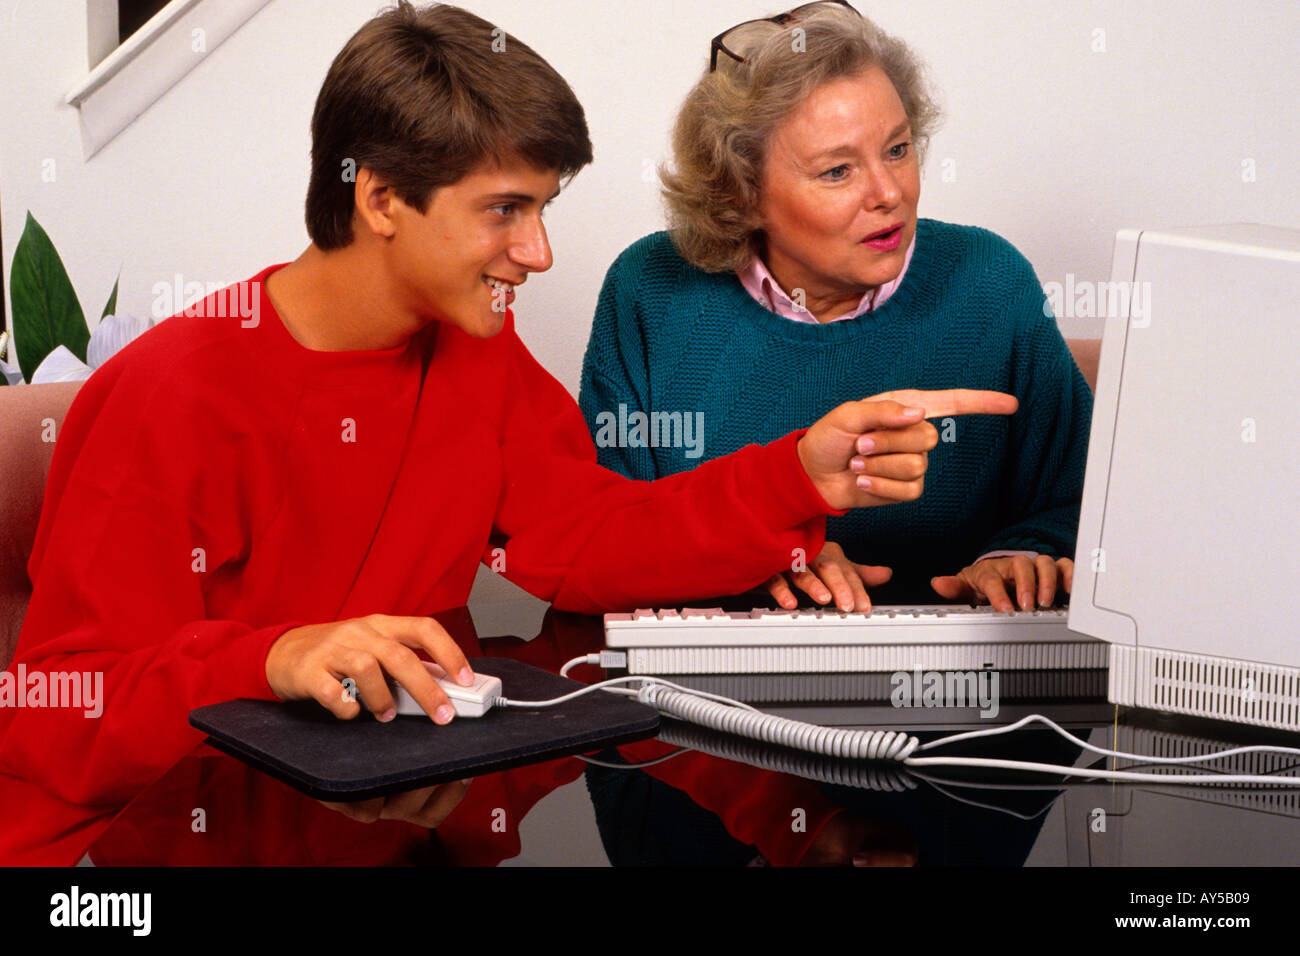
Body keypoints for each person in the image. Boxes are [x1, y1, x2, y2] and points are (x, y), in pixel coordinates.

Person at [0, 1, 1013, 866]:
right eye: (505, 210)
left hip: (396, 826)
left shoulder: (474, 355)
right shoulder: (168, 389)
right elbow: (60, 708)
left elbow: (587, 541)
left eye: (544, 206)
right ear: (382, 197)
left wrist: (795, 474)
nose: (538, 250)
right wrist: (274, 656)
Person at [579, 0, 1092, 613]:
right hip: (722, 681)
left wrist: (1019, 556)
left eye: (898, 149)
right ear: (741, 192)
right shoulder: (652, 289)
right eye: (837, 171)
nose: (889, 192)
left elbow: (1080, 499)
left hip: (963, 679)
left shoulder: (989, 278)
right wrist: (761, 548)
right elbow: (604, 530)